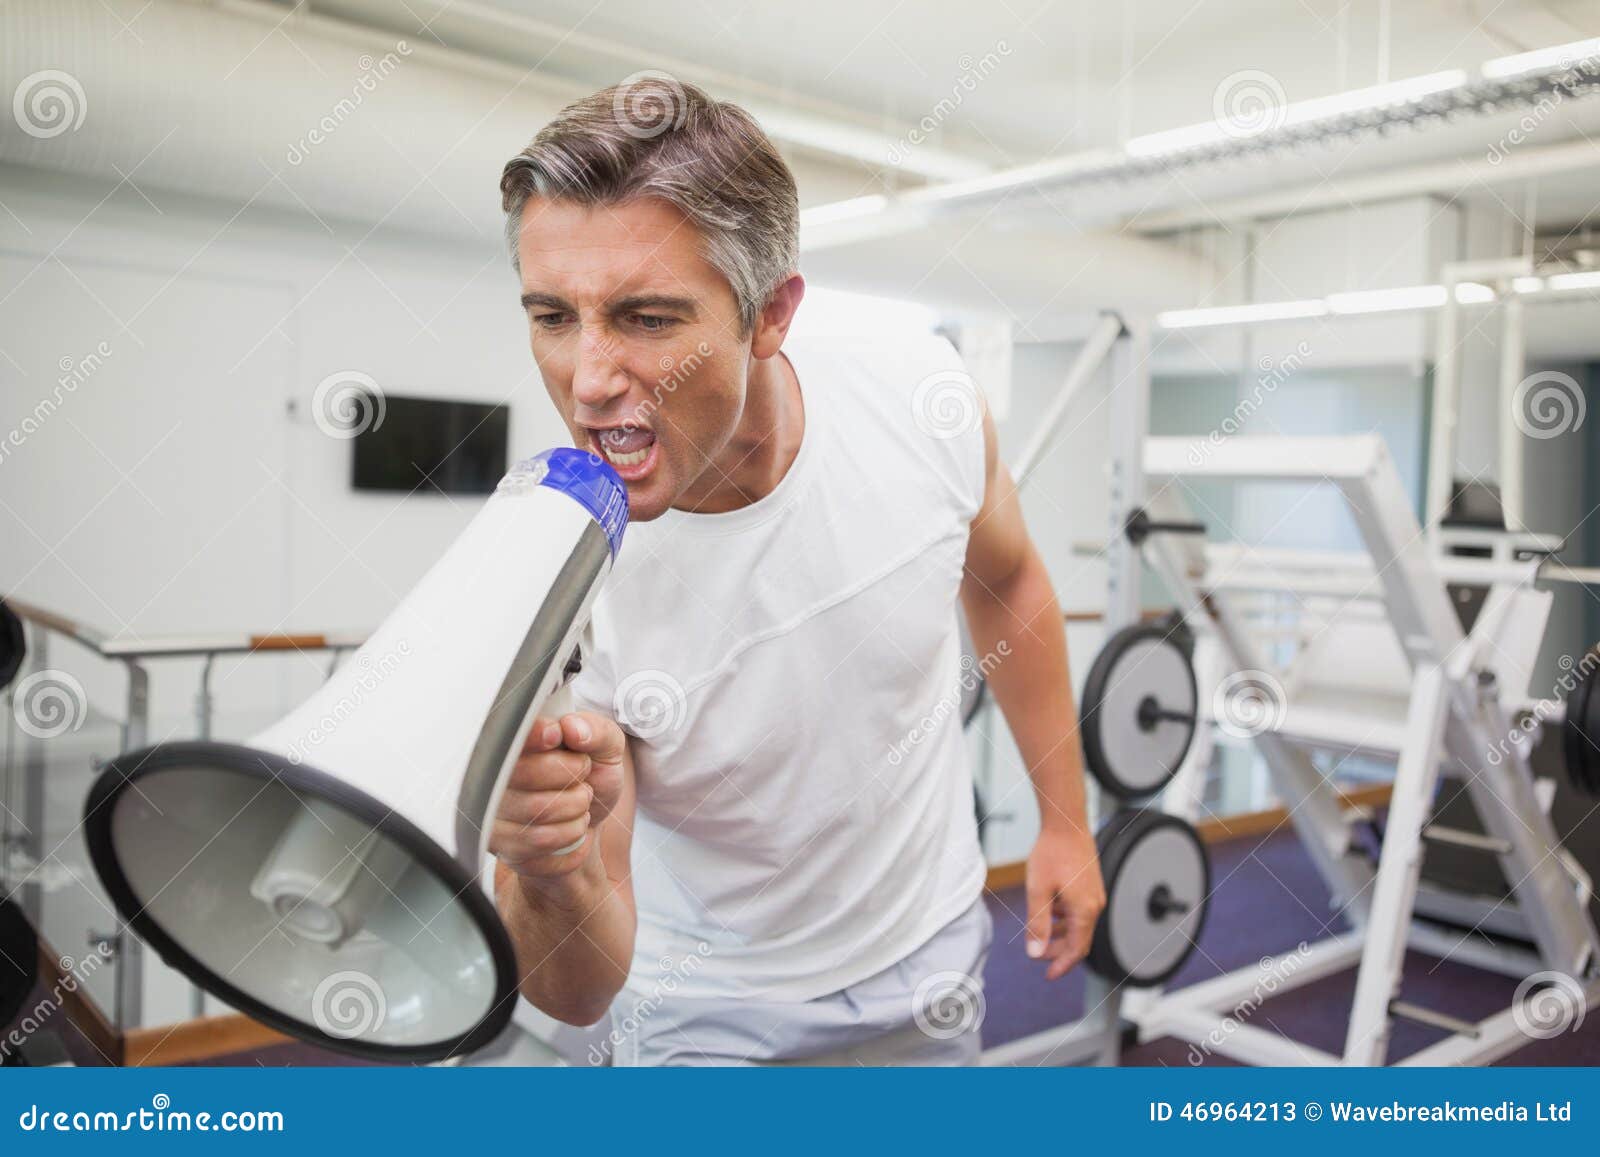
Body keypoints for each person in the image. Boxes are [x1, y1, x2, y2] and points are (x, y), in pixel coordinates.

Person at [487, 76, 1104, 1066]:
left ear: (770, 313)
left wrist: (1065, 823)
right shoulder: (553, 567)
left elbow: (1009, 582)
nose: (590, 378)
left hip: (929, 959)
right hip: (701, 1012)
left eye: (646, 318)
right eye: (553, 315)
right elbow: (576, 980)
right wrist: (546, 869)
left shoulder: (920, 394)